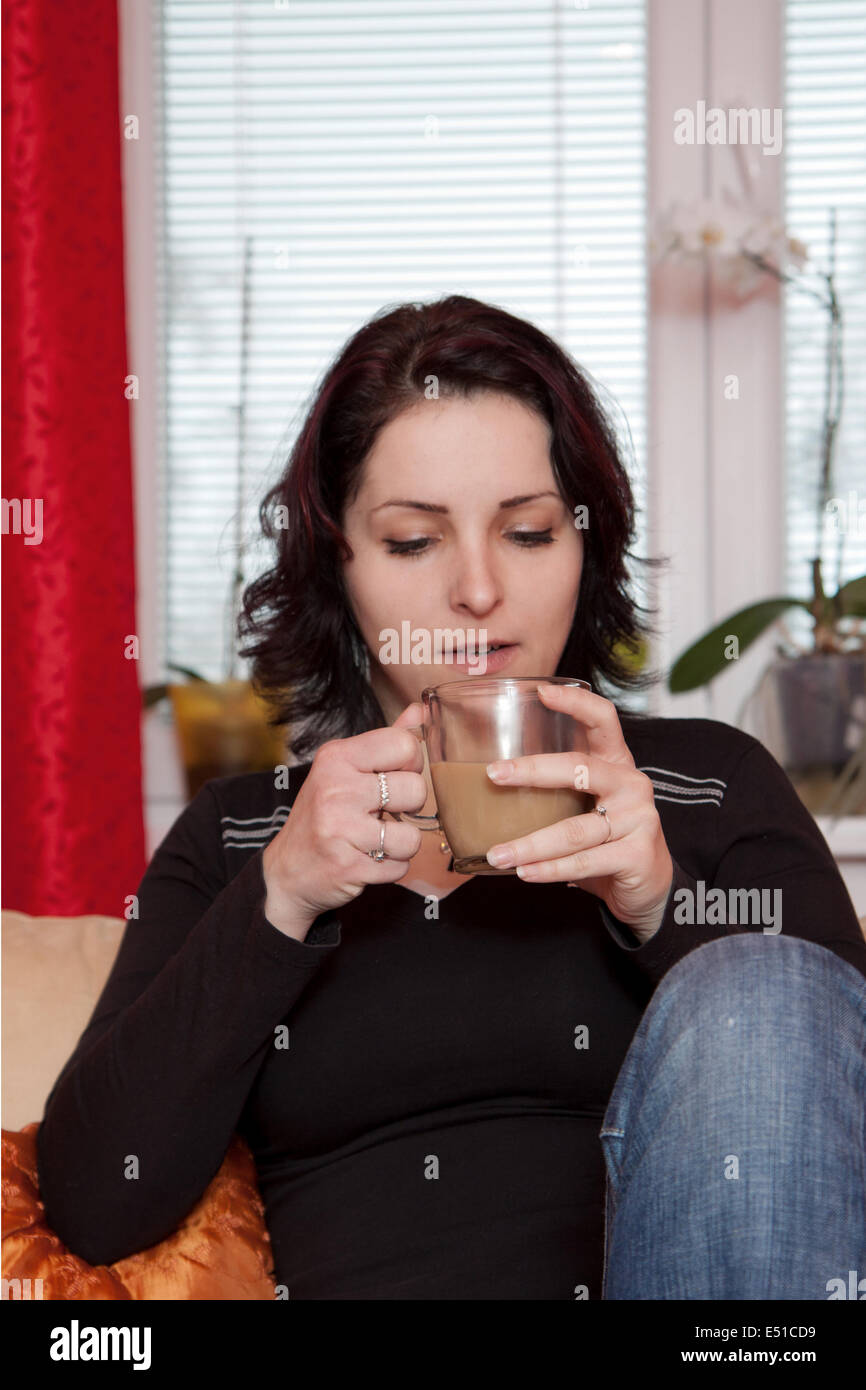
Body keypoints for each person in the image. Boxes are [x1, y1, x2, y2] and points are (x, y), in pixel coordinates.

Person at [36, 295, 866, 1300]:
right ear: (333, 561)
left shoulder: (710, 783)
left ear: (584, 546)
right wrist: (286, 893)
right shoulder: (243, 838)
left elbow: (831, 1151)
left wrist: (660, 904)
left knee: (759, 983)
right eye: (412, 541)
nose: (477, 591)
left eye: (524, 531)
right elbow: (93, 1202)